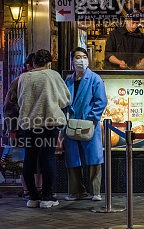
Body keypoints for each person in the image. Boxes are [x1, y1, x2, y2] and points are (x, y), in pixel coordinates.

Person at [18, 49, 71, 209]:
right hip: (50, 123)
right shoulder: (53, 75)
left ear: (33, 63)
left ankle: (33, 198)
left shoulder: (24, 77)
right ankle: (47, 197)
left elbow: (21, 100)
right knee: (47, 159)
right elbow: (65, 99)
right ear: (49, 63)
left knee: (29, 159)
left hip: (30, 124)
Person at [64, 47, 108, 202]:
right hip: (71, 124)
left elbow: (101, 101)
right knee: (73, 158)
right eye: (78, 57)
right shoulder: (68, 80)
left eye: (84, 57)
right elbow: (64, 102)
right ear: (72, 61)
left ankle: (95, 191)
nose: (81, 60)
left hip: (89, 123)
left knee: (93, 158)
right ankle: (77, 191)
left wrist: (91, 119)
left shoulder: (94, 78)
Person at [3, 53, 43, 200]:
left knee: (38, 158)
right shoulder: (18, 81)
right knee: (23, 160)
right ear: (28, 66)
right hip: (21, 128)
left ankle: (37, 189)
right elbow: (10, 107)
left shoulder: (42, 80)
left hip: (39, 126)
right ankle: (28, 190)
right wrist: (12, 129)